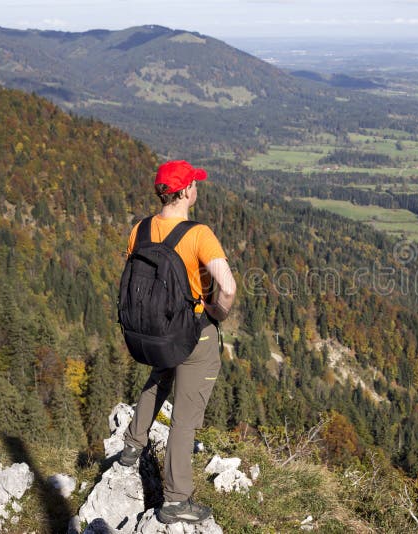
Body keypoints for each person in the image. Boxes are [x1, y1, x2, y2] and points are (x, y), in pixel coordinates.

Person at [119, 160, 236, 525]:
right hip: (192, 333)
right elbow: (228, 287)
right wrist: (216, 311)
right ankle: (175, 500)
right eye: (194, 185)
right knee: (184, 419)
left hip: (155, 330)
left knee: (159, 377)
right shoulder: (198, 234)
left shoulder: (139, 229)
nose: (197, 189)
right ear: (185, 192)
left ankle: (131, 446)